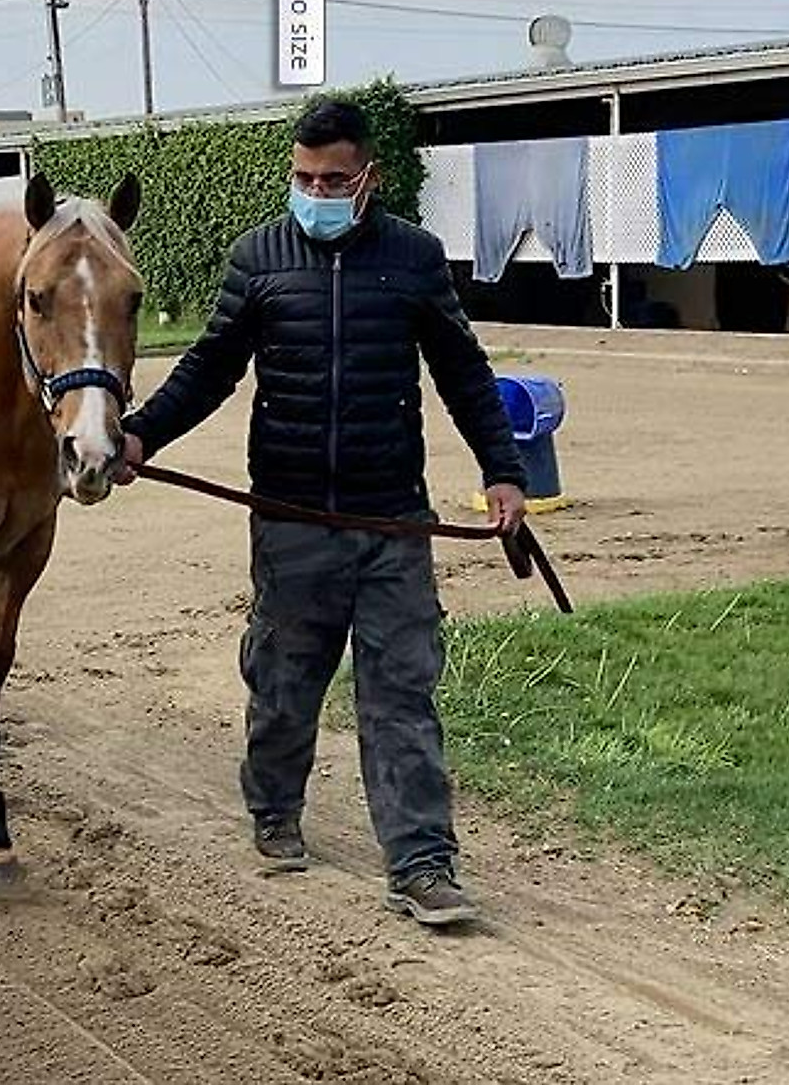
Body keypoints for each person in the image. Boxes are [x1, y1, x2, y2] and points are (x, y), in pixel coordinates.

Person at [115, 100, 527, 926]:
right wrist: (141, 437)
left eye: (334, 179)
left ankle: (421, 862)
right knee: (283, 679)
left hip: (391, 523)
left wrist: (502, 472)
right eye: (304, 178)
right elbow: (209, 367)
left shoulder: (412, 259)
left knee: (402, 693)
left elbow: (464, 372)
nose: (317, 192)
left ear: (367, 178)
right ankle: (273, 807)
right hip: (291, 515)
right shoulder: (257, 257)